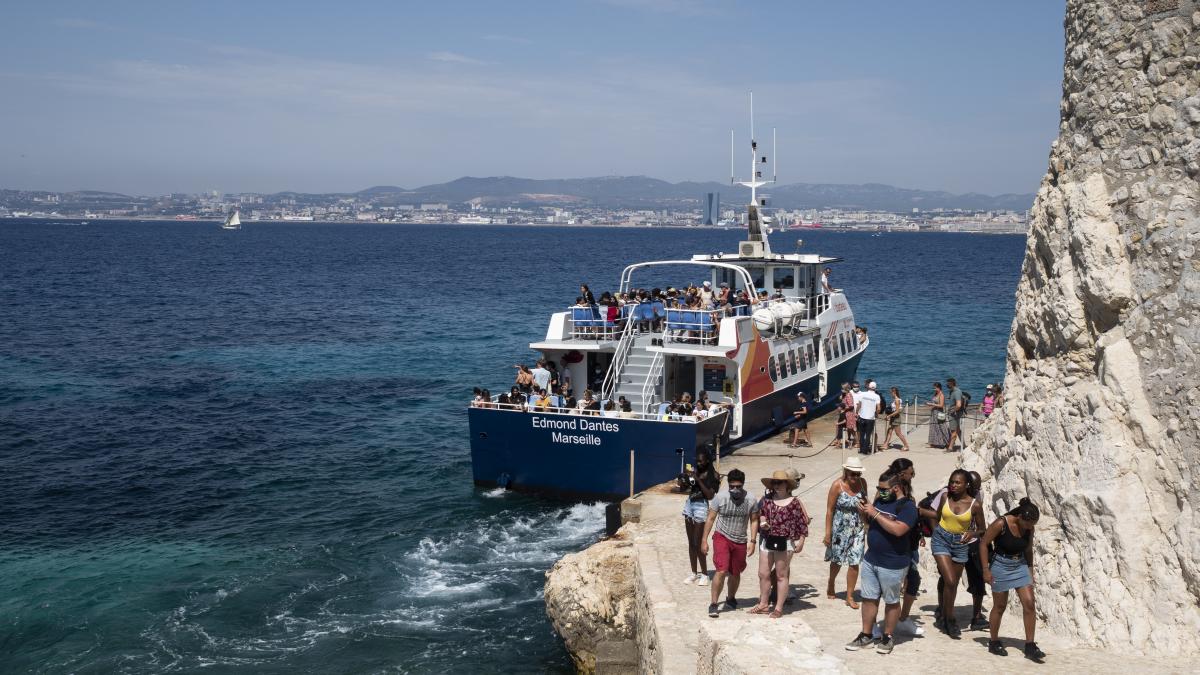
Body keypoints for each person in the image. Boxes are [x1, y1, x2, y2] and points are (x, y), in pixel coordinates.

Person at [845, 470, 918, 655]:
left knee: (891, 601)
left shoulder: (907, 507)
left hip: (893, 563)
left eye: (883, 489)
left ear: (896, 488)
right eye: (878, 488)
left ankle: (887, 636)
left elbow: (899, 530)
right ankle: (866, 635)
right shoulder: (880, 502)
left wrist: (875, 513)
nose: (880, 491)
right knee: (869, 598)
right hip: (871, 559)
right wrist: (864, 513)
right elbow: (870, 524)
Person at [921, 469, 985, 638]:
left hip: (960, 544)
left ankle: (945, 616)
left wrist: (972, 533)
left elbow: (982, 529)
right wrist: (921, 512)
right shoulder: (945, 497)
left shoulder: (975, 505)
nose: (953, 485)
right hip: (941, 540)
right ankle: (950, 619)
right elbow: (936, 515)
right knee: (949, 580)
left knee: (953, 584)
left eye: (958, 482)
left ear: (966, 485)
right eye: (952, 482)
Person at [980, 498, 1044, 662]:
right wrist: (986, 570)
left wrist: (1030, 569)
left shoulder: (1029, 528)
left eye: (1032, 524)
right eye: (1028, 524)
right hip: (1000, 566)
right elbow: (983, 544)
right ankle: (994, 641)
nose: (1030, 527)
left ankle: (1030, 645)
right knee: (1000, 606)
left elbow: (1028, 549)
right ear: (1020, 517)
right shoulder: (1001, 524)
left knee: (1029, 603)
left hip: (1020, 565)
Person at [700, 469, 759, 617]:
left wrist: (753, 541)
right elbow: (710, 518)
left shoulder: (751, 499)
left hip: (740, 540)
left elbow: (754, 520)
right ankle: (714, 603)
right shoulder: (720, 498)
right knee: (721, 570)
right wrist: (704, 540)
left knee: (735, 572)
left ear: (743, 484)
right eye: (732, 486)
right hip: (722, 536)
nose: (735, 489)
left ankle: (731, 597)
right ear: (728, 485)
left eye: (739, 486)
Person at [751, 470, 810, 618]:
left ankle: (778, 608)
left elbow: (802, 522)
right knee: (763, 573)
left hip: (785, 541)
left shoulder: (794, 502)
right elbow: (761, 513)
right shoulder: (767, 499)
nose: (776, 485)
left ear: (787, 484)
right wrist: (763, 521)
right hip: (768, 539)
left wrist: (802, 540)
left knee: (781, 575)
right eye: (774, 482)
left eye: (780, 482)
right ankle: (764, 604)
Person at [888, 458, 925, 637]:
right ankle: (883, 623)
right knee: (889, 585)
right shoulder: (889, 490)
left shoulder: (907, 491)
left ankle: (902, 619)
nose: (913, 475)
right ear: (902, 474)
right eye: (911, 472)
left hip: (910, 544)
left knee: (913, 580)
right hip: (894, 544)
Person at [824, 457, 867, 609]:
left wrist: (866, 522)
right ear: (846, 472)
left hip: (858, 527)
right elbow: (829, 510)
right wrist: (828, 533)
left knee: (855, 562)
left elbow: (865, 503)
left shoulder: (863, 483)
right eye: (853, 474)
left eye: (858, 474)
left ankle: (849, 596)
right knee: (837, 560)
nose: (856, 477)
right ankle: (831, 581)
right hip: (840, 527)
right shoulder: (837, 485)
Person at [682, 449, 720, 586]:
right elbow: (684, 489)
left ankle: (705, 574)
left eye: (701, 461)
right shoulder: (695, 471)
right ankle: (694, 573)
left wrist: (697, 479)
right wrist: (684, 480)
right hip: (689, 504)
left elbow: (710, 495)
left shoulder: (714, 475)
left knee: (697, 542)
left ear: (707, 461)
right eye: (697, 461)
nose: (698, 463)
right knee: (691, 542)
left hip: (701, 506)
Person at [856, 382, 881, 455]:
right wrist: (876, 414)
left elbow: (859, 405)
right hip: (870, 419)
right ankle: (865, 451)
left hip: (862, 417)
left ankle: (861, 449)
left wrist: (857, 412)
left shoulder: (862, 394)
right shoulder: (877, 396)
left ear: (868, 387)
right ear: (875, 388)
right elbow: (879, 408)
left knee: (861, 435)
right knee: (868, 435)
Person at [882, 387, 910, 451]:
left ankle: (906, 445)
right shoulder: (895, 400)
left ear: (894, 392)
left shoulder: (897, 400)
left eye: (891, 392)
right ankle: (886, 445)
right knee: (889, 431)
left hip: (896, 418)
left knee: (898, 433)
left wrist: (889, 416)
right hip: (893, 418)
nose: (890, 394)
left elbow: (897, 411)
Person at [945, 377, 965, 451]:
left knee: (953, 431)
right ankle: (964, 445)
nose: (947, 385)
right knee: (958, 430)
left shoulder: (957, 392)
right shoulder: (952, 391)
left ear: (951, 384)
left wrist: (953, 411)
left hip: (954, 414)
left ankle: (950, 447)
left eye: (948, 384)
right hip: (955, 413)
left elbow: (958, 405)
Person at [928, 382, 949, 448]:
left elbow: (941, 405)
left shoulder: (941, 395)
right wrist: (931, 405)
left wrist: (932, 404)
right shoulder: (936, 394)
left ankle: (946, 442)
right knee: (934, 427)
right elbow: (935, 402)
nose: (934, 389)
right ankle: (935, 442)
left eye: (935, 388)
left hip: (939, 413)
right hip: (934, 413)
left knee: (942, 427)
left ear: (939, 388)